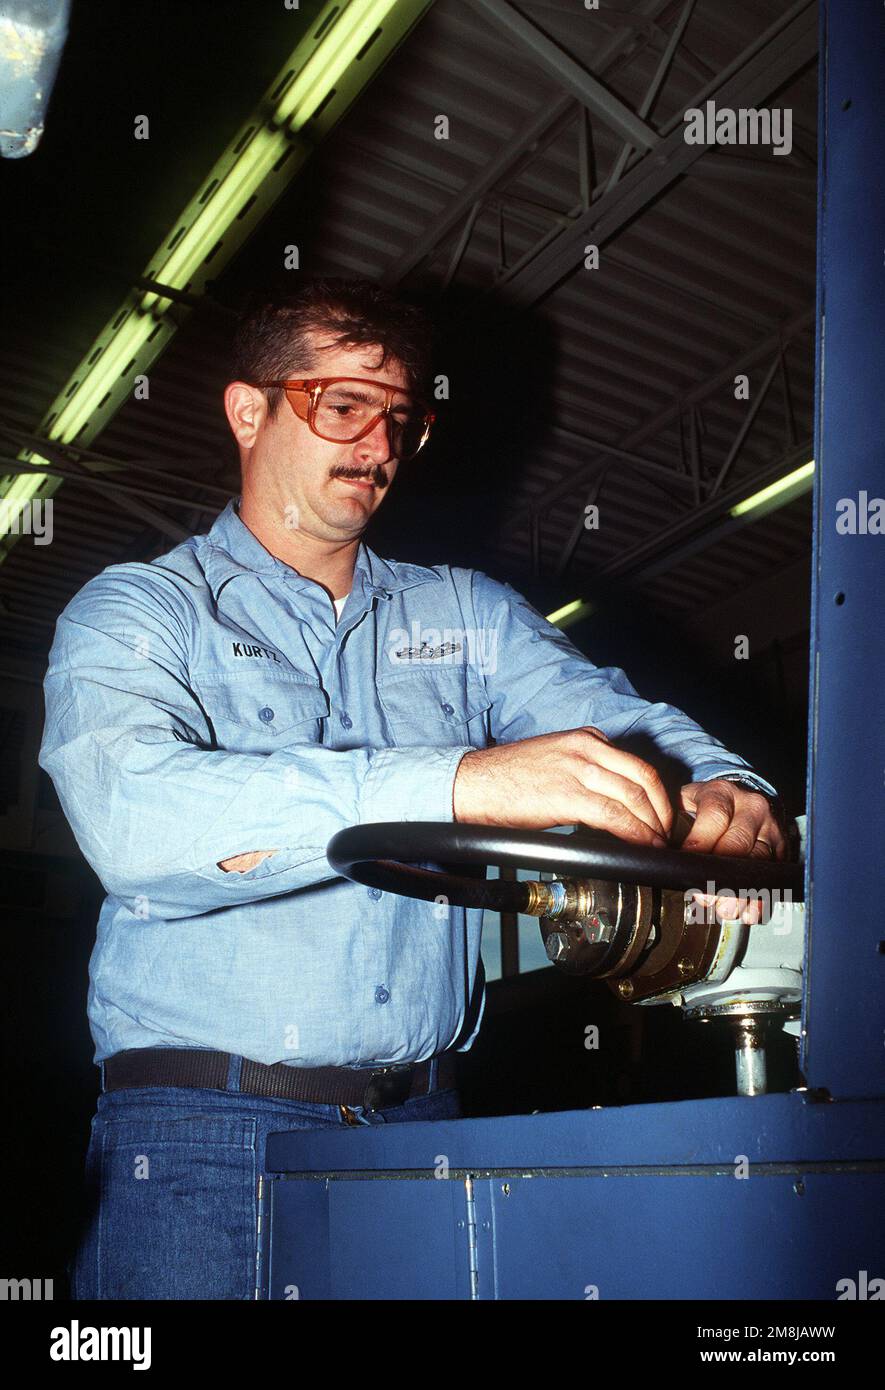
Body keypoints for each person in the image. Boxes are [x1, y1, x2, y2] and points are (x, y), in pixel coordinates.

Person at [39, 277, 785, 1299]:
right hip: (200, 1139)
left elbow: (614, 714)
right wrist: (464, 782)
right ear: (247, 409)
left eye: (403, 418)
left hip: (424, 1124)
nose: (380, 445)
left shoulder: (465, 615)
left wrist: (727, 787)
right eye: (342, 405)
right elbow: (134, 820)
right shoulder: (139, 613)